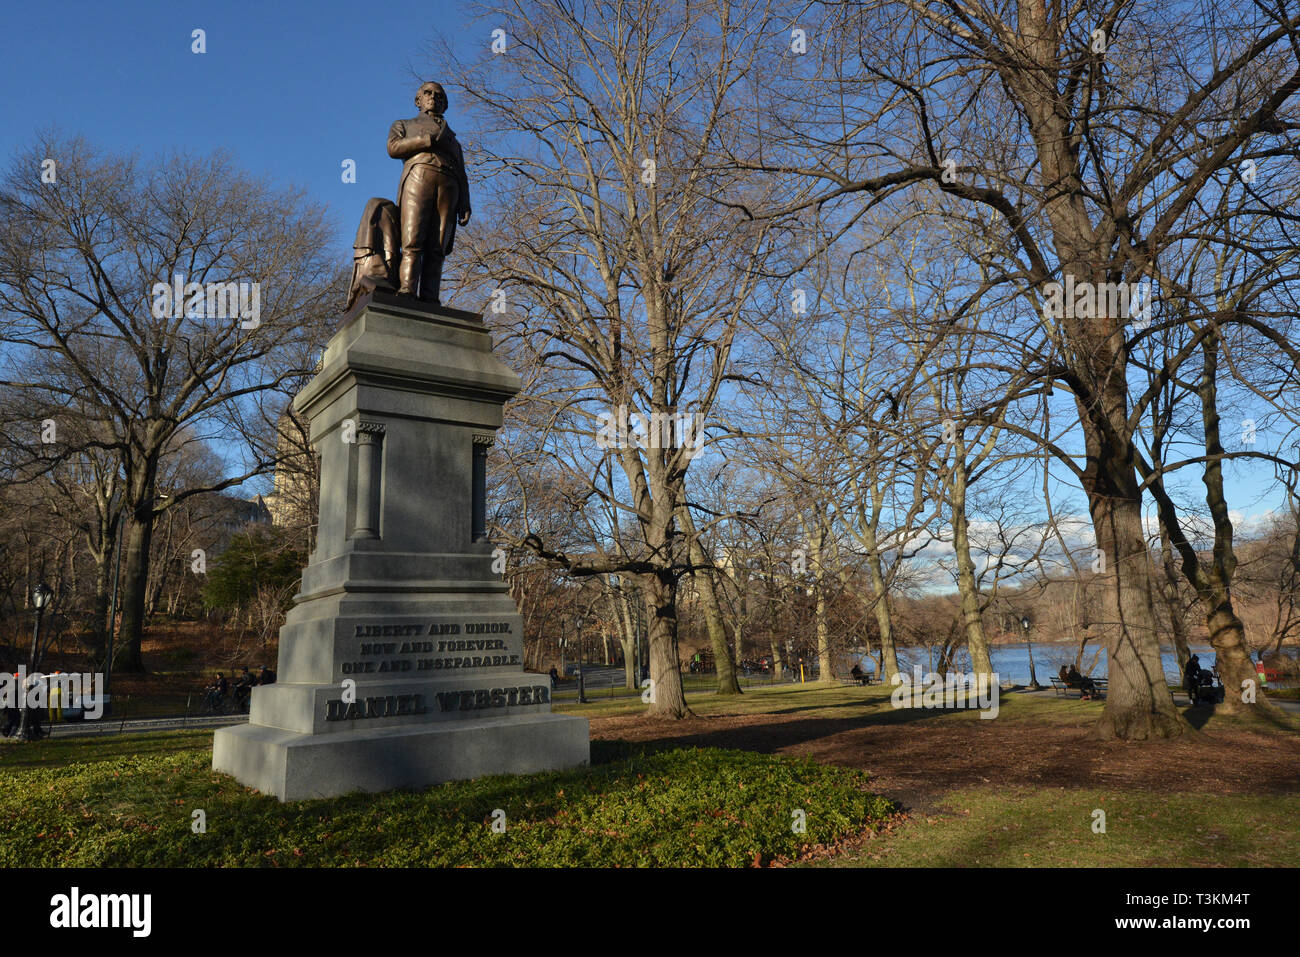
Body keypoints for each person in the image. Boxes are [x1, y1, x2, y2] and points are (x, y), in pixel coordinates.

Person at [387, 81, 471, 304]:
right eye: (428, 93)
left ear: (445, 104)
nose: (433, 97)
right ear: (418, 100)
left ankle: (430, 298)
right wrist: (427, 140)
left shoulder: (453, 140)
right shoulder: (405, 124)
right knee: (412, 238)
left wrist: (465, 202)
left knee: (438, 245)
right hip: (419, 177)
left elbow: (462, 172)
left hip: (449, 186)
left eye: (439, 95)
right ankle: (407, 289)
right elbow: (393, 147)